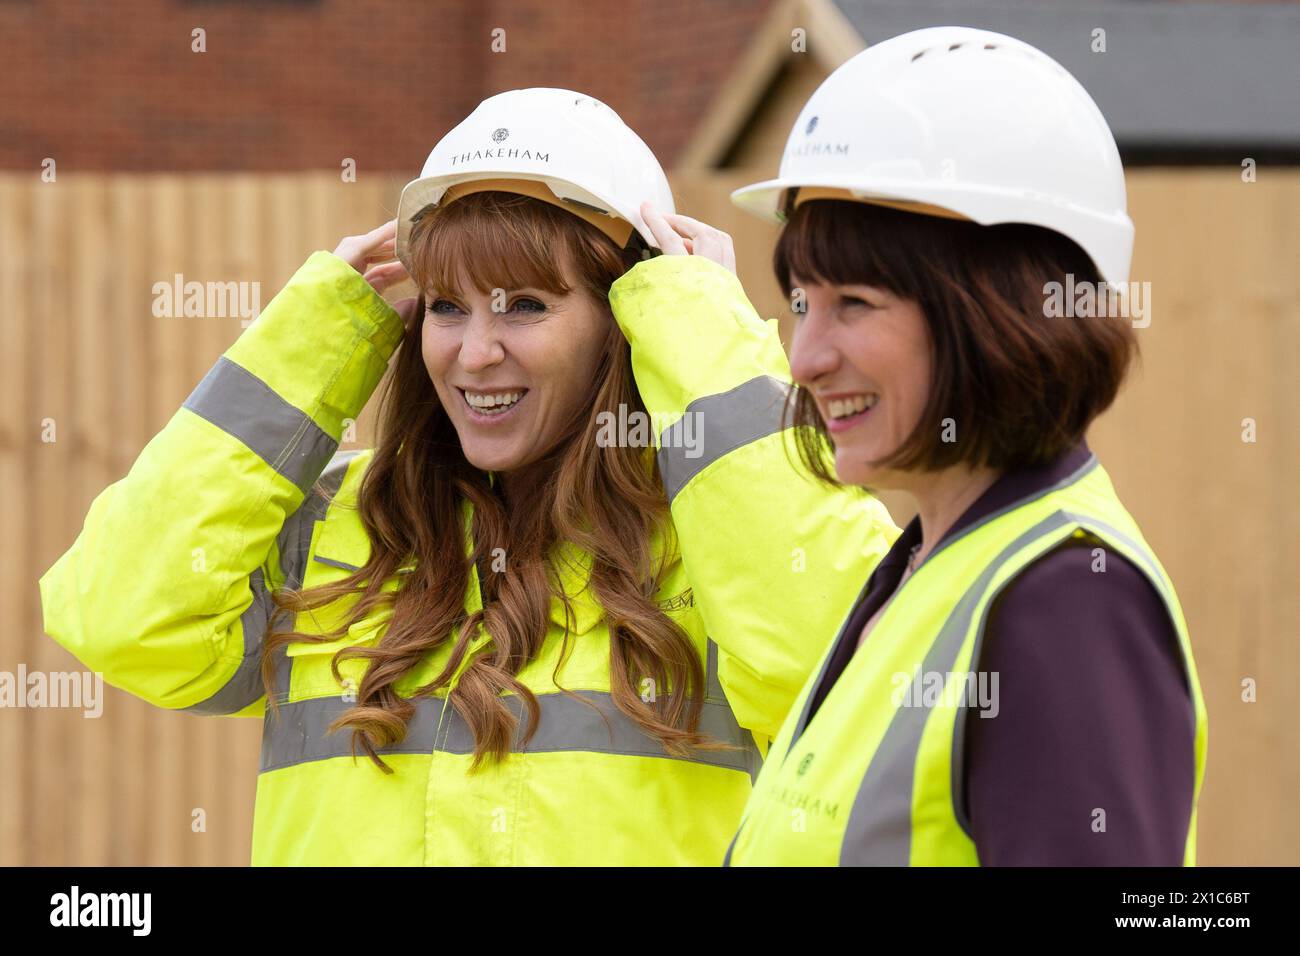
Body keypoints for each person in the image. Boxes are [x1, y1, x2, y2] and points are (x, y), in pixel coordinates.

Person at [38, 88, 898, 865]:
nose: (475, 354)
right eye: (449, 305)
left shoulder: (717, 540)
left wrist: (698, 327)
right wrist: (316, 339)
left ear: (624, 319)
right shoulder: (339, 523)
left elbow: (845, 679)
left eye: (525, 304)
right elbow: (122, 616)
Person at [723, 27, 1208, 865]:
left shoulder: (1066, 602)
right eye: (802, 301)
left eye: (856, 303)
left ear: (1002, 310)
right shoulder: (925, 572)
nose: (804, 357)